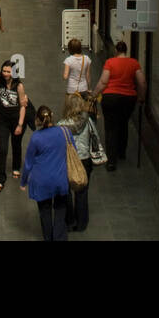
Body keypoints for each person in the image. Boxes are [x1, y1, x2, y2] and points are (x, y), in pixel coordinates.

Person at [90, 40, 145, 172]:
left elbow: (103, 82)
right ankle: (121, 152)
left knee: (110, 128)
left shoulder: (110, 62)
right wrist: (141, 98)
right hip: (128, 98)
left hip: (111, 98)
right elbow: (142, 82)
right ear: (126, 51)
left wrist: (94, 94)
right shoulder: (134, 63)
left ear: (116, 50)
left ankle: (111, 161)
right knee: (123, 123)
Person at [20, 105, 69, 241]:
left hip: (42, 182)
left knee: (45, 211)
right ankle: (59, 237)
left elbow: (28, 163)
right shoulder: (64, 131)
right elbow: (73, 151)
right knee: (60, 209)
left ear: (37, 120)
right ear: (52, 116)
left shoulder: (36, 138)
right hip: (60, 179)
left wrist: (23, 181)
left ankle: (48, 238)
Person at [57, 94, 95, 232]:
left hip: (67, 160)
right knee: (82, 191)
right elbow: (94, 137)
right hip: (84, 159)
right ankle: (82, 223)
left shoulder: (61, 125)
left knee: (66, 191)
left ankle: (69, 220)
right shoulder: (88, 121)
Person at [0, 60, 28, 189]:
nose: (6, 74)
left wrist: (20, 124)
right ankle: (0, 179)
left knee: (16, 143)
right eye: (4, 71)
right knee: (2, 148)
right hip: (2, 121)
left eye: (8, 71)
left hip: (16, 119)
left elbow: (23, 106)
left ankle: (16, 166)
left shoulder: (19, 86)